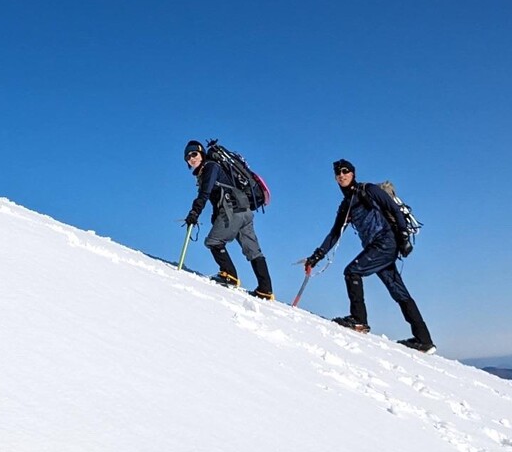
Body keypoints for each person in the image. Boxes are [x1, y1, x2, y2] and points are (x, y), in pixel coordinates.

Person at [302, 159, 435, 352]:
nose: (342, 175)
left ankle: (359, 320)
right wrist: (316, 256)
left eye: (345, 171)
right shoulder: (346, 205)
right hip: (377, 247)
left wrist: (404, 236)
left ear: (353, 173)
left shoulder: (369, 190)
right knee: (398, 291)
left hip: (384, 242)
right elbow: (335, 233)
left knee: (352, 272)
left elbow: (394, 209)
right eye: (338, 173)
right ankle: (423, 339)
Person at [182, 139, 275, 299]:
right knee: (253, 251)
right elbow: (217, 195)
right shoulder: (212, 168)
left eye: (194, 154)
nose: (192, 158)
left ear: (201, 153)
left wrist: (194, 213)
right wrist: (215, 215)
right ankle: (265, 290)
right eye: (188, 157)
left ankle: (229, 275)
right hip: (244, 210)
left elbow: (204, 194)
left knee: (213, 241)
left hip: (233, 211)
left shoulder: (210, 167)